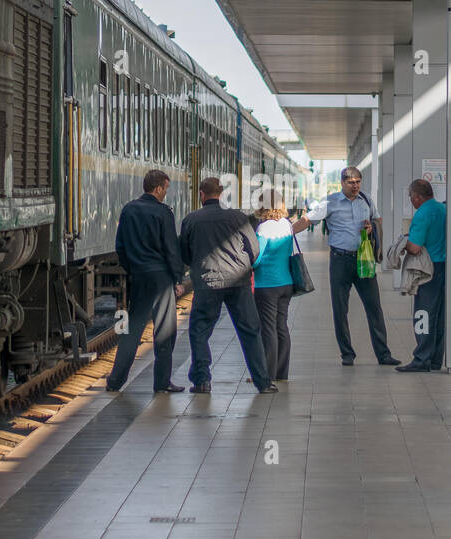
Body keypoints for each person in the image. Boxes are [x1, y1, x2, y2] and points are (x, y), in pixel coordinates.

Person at [179, 177, 277, 394]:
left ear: (201, 194)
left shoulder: (191, 219)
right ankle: (264, 382)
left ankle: (202, 381)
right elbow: (254, 249)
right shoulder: (238, 217)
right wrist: (244, 267)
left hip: (207, 282)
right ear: (221, 194)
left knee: (199, 331)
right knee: (250, 331)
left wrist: (197, 266)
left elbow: (184, 253)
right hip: (238, 282)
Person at [305, 166, 400, 367]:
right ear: (342, 183)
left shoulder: (366, 200)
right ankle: (347, 354)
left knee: (374, 307)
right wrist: (287, 231)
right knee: (340, 309)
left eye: (358, 182)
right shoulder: (330, 202)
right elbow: (308, 220)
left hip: (363, 260)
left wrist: (371, 227)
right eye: (351, 182)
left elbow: (378, 219)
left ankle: (383, 354)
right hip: (340, 260)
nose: (355, 185)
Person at [106, 169, 187, 393]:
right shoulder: (163, 212)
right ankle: (162, 383)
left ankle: (115, 382)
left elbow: (120, 246)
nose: (166, 194)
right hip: (161, 278)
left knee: (132, 329)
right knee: (164, 331)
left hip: (139, 276)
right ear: (158, 188)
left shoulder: (129, 209)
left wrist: (131, 268)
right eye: (166, 189)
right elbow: (171, 249)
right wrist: (178, 277)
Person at [252, 189, 310, 382]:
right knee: (281, 327)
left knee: (267, 329)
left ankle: (266, 374)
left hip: (267, 285)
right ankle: (281, 372)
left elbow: (257, 258)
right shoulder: (287, 224)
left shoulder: (263, 228)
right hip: (286, 283)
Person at [397, 179, 446, 372]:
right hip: (444, 267)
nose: (411, 200)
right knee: (438, 315)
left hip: (427, 270)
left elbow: (415, 248)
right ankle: (435, 360)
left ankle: (421, 359)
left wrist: (401, 244)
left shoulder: (422, 214)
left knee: (423, 314)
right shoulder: (442, 209)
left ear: (417, 197)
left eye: (411, 197)